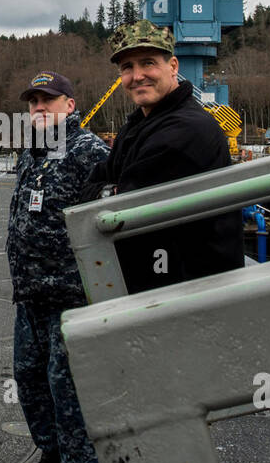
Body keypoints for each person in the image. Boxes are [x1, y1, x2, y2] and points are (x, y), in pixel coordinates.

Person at [1, 72, 110, 463]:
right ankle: (50, 459)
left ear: (70, 104)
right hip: (31, 295)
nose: (39, 108)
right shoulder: (32, 152)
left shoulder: (92, 154)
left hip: (71, 294)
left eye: (48, 101)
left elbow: (105, 221)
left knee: (68, 387)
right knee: (30, 378)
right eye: (33, 102)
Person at [85, 20, 243, 293]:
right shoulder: (138, 125)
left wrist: (103, 191)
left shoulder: (187, 128)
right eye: (127, 67)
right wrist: (106, 190)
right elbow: (95, 183)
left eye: (148, 63)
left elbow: (127, 206)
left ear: (173, 67)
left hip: (188, 291)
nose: (137, 76)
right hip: (155, 283)